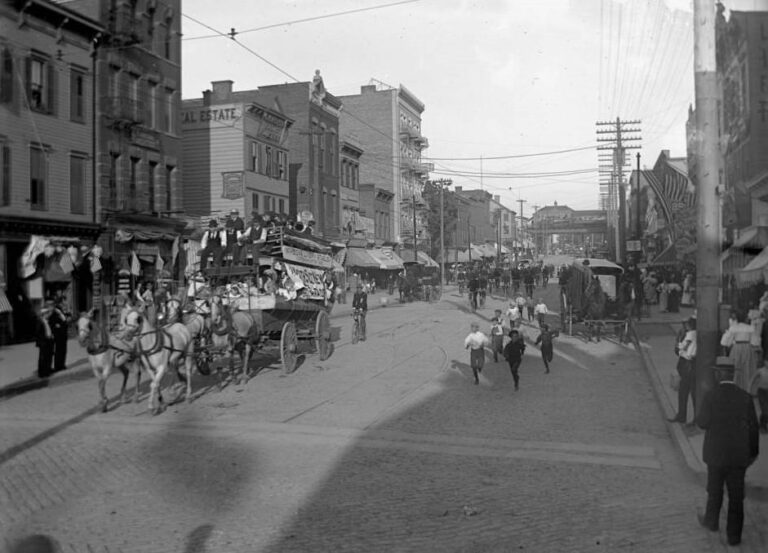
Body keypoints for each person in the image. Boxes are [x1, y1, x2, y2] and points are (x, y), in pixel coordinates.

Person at [696, 359, 759, 546]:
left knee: (714, 490)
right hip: (738, 457)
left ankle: (712, 522)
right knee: (737, 497)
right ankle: (734, 536)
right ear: (733, 375)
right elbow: (753, 430)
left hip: (715, 454)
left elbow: (702, 423)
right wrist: (751, 454)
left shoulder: (711, 395)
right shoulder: (745, 398)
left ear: (718, 375)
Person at [720, 310, 759, 391]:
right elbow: (755, 342)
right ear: (746, 318)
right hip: (748, 349)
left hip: (737, 348)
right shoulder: (750, 328)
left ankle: (736, 388)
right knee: (747, 369)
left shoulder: (734, 328)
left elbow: (725, 342)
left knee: (736, 368)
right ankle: (747, 389)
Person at [669, 316, 697, 424]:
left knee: (684, 391)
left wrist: (680, 347)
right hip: (689, 363)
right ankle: (685, 415)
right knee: (689, 391)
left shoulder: (691, 334)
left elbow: (683, 347)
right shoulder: (694, 333)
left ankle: (682, 415)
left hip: (687, 363)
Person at [35, 300, 55, 378]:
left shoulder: (47, 321)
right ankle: (42, 372)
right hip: (43, 342)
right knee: (43, 358)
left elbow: (49, 330)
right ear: (43, 315)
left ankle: (47, 370)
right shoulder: (40, 322)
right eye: (46, 313)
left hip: (49, 341)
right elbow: (38, 333)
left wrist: (51, 335)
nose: (48, 315)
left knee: (49, 356)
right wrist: (41, 341)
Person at [49, 298, 71, 372]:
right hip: (58, 334)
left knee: (63, 350)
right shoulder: (55, 311)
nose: (64, 304)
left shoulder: (62, 311)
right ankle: (57, 366)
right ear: (59, 303)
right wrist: (57, 325)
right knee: (58, 350)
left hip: (63, 333)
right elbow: (52, 321)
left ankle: (62, 364)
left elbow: (65, 320)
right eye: (63, 303)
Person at [749, 361, 768, 433]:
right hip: (762, 392)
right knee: (764, 408)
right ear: (765, 362)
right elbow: (752, 380)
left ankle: (763, 424)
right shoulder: (760, 371)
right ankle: (763, 426)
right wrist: (749, 388)